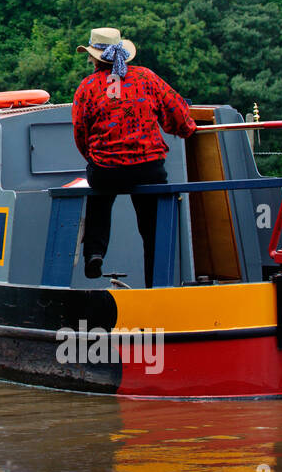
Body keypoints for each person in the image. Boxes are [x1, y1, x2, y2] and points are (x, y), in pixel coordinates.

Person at [71, 27, 196, 288]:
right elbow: (177, 112)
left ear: (94, 58)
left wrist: (95, 158)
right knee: (152, 228)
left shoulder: (88, 87)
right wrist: (185, 130)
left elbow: (80, 131)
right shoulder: (147, 78)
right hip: (148, 166)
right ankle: (155, 283)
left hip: (106, 168)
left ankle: (94, 253)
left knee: (99, 198)